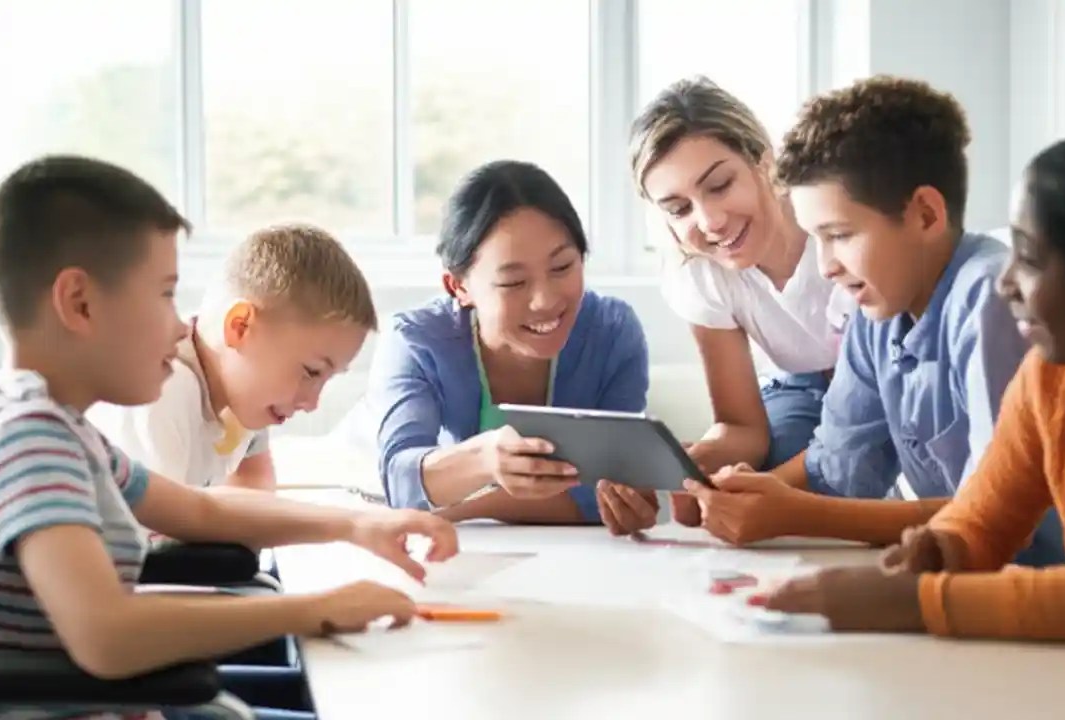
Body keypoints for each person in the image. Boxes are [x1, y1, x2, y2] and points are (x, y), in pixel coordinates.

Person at [0, 155, 457, 720]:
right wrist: (315, 609)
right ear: (79, 303)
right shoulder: (26, 437)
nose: (181, 325)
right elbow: (106, 636)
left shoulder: (56, 428)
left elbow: (200, 510)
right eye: (165, 294)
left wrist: (358, 526)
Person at [764, 128, 1065, 642]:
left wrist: (916, 602)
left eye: (1030, 259)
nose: (1006, 282)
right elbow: (984, 518)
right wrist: (944, 547)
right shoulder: (1052, 379)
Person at [679, 76, 1065, 566]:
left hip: (1050, 581)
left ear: (926, 215)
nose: (825, 266)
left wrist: (797, 515)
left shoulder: (990, 300)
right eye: (816, 239)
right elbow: (836, 467)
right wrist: (734, 496)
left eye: (839, 235)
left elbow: (995, 515)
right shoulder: (877, 312)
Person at [596, 76, 854, 535]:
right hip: (796, 385)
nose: (710, 221)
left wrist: (765, 494)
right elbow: (741, 429)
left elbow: (867, 423)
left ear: (764, 162)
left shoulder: (833, 225)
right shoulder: (699, 271)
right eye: (679, 209)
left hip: (875, 381)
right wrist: (685, 473)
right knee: (766, 464)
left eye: (719, 185)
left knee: (838, 478)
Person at [367, 160, 649, 524]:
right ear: (459, 287)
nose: (544, 301)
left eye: (562, 267)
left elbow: (616, 483)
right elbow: (400, 479)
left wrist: (463, 503)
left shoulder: (612, 332)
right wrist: (484, 459)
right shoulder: (416, 341)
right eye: (513, 282)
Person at [89, 222, 372, 494]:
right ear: (241, 327)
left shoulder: (242, 391)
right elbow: (166, 522)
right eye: (311, 372)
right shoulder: (165, 386)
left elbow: (254, 486)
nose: (312, 403)